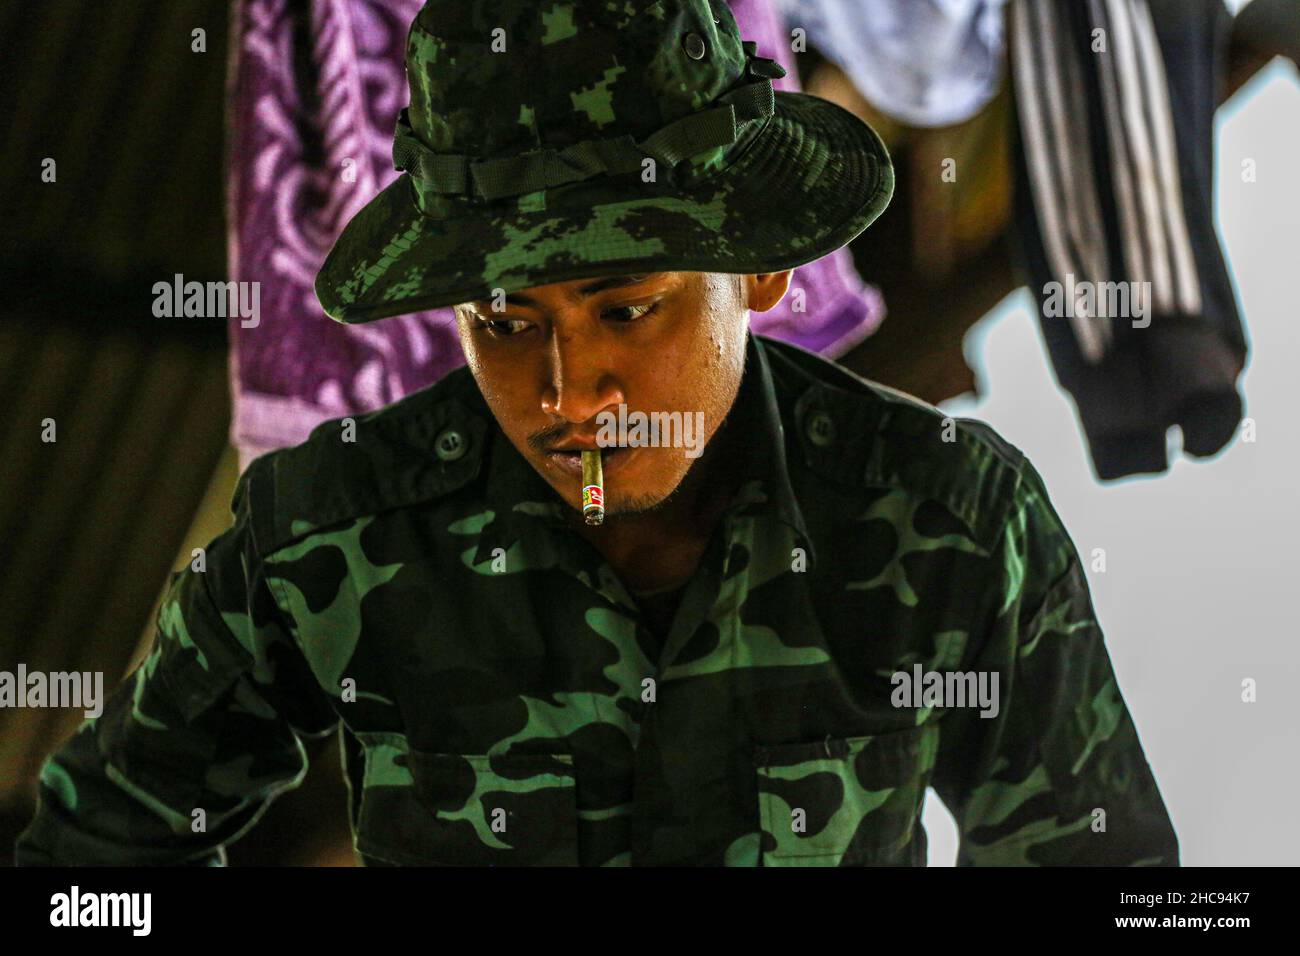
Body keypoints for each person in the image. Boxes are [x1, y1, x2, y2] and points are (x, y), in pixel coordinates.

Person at [16, 0, 1177, 866]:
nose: (568, 392)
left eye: (626, 309)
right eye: (504, 321)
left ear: (761, 268)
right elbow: (93, 862)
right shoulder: (325, 537)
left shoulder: (948, 524)